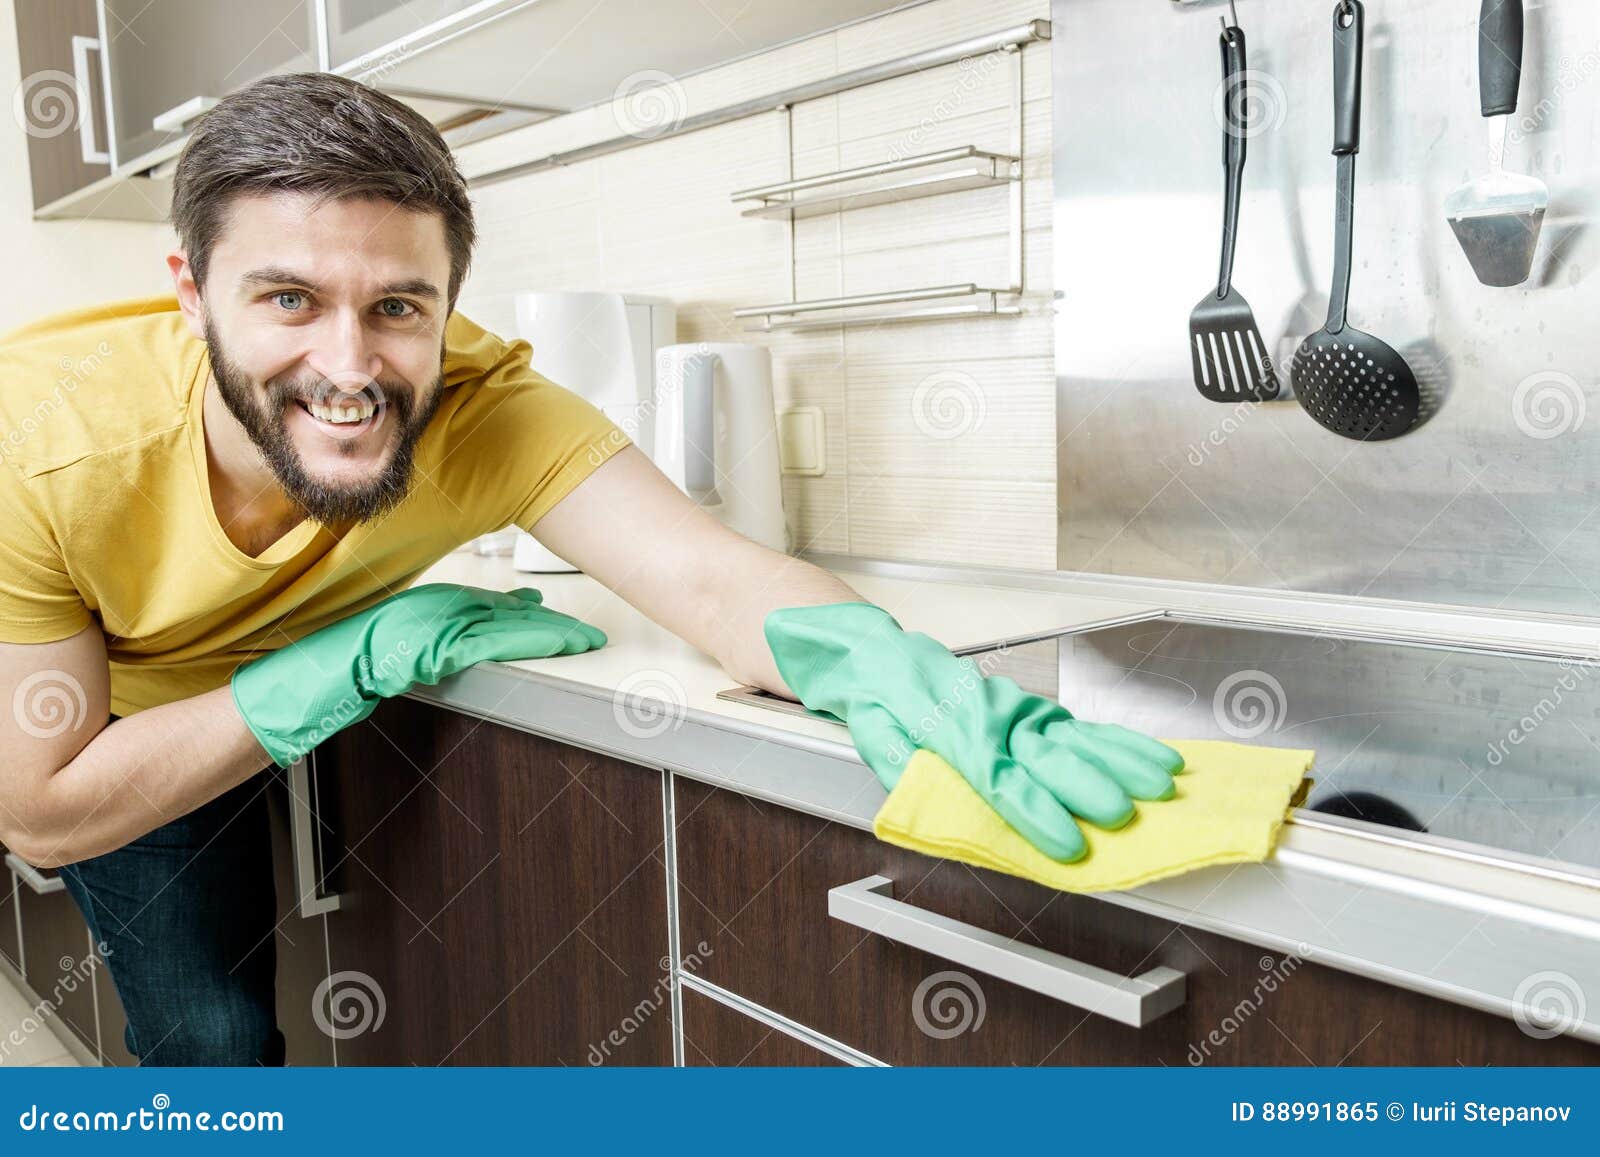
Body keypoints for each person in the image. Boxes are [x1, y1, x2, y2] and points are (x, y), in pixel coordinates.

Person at [0, 74, 1182, 1065]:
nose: (350, 366)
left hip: (248, 685)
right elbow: (43, 809)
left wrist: (871, 654)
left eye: (398, 306)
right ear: (191, 292)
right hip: (116, 721)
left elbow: (714, 579)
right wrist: (342, 662)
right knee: (210, 1035)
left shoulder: (492, 412)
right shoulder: (37, 449)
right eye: (289, 299)